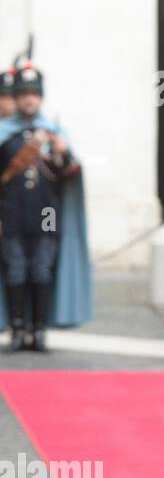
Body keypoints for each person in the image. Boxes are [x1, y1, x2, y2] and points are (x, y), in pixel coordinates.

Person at [0, 58, 92, 349]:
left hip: (47, 213)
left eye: (34, 94)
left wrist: (63, 153)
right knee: (15, 269)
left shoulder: (53, 132)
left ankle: (39, 330)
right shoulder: (4, 134)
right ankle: (17, 330)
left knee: (41, 268)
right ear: (16, 98)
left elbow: (67, 172)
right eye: (24, 94)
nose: (29, 99)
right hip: (11, 211)